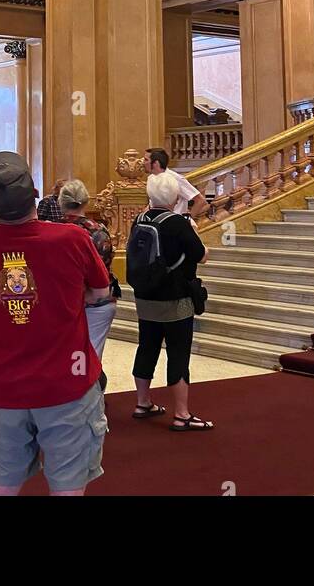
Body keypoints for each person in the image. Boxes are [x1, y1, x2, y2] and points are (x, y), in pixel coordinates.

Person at [0, 152, 111, 497]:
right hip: (66, 380)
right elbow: (100, 291)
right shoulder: (70, 238)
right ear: (37, 194)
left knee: (2, 483)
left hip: (2, 382)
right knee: (68, 486)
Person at [129, 169, 212, 431]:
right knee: (178, 353)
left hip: (145, 296)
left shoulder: (139, 219)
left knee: (147, 347)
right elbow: (200, 255)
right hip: (175, 297)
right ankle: (182, 414)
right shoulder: (176, 223)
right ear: (175, 195)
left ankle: (143, 402)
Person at [58, 179, 119, 378]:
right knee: (90, 356)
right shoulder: (98, 232)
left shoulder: (50, 231)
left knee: (62, 356)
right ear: (85, 201)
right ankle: (89, 399)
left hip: (61, 302)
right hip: (96, 301)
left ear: (61, 202)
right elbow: (105, 263)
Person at [143, 148, 205, 220]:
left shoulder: (175, 178)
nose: (143, 162)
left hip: (174, 223)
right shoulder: (152, 178)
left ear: (156, 163)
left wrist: (186, 221)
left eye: (146, 160)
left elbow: (200, 200)